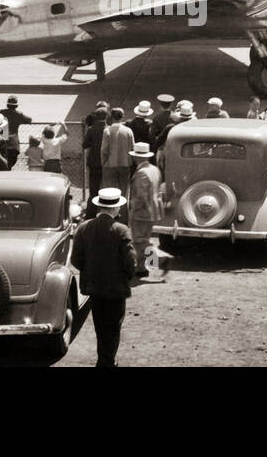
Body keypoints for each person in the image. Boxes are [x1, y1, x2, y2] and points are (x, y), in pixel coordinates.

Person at [71, 187, 137, 367]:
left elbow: (75, 259)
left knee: (100, 327)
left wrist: (91, 270)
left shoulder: (84, 228)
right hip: (116, 289)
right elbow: (130, 263)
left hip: (94, 287)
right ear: (116, 209)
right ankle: (107, 361)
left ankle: (104, 359)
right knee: (114, 327)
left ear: (99, 207)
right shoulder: (122, 230)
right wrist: (126, 276)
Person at [127, 142, 163, 275]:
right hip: (153, 209)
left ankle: (153, 262)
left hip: (142, 211)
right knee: (144, 238)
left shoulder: (141, 173)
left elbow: (141, 196)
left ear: (136, 157)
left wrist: (133, 210)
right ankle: (143, 267)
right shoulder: (154, 169)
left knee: (139, 240)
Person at [100, 107, 136, 211]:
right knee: (124, 194)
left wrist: (104, 163)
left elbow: (104, 150)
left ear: (111, 117)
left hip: (110, 166)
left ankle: (110, 216)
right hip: (125, 166)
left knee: (110, 194)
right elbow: (133, 148)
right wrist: (130, 161)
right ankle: (124, 219)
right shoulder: (128, 131)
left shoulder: (107, 130)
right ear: (122, 117)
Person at [0, 95, 33, 169]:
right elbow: (29, 120)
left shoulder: (1, 113)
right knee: (10, 165)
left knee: (2, 166)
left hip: (2, 143)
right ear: (16, 106)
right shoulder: (18, 114)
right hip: (13, 144)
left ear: (7, 105)